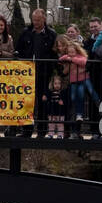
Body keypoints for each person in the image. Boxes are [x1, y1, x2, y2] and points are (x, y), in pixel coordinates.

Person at [16, 8, 58, 136]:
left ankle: (42, 131)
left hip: (44, 73)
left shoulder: (52, 34)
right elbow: (19, 50)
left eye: (38, 20)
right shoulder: (26, 32)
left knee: (43, 102)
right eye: (34, 20)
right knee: (27, 102)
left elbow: (54, 53)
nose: (36, 23)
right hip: (27, 74)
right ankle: (27, 131)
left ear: (44, 19)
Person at [44, 73, 68, 138]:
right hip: (52, 111)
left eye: (59, 83)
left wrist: (63, 102)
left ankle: (60, 135)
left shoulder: (63, 92)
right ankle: (50, 134)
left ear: (61, 84)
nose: (57, 85)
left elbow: (66, 100)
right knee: (51, 124)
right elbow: (47, 98)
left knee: (60, 124)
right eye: (55, 83)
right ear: (52, 84)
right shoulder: (50, 91)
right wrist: (45, 98)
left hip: (60, 111)